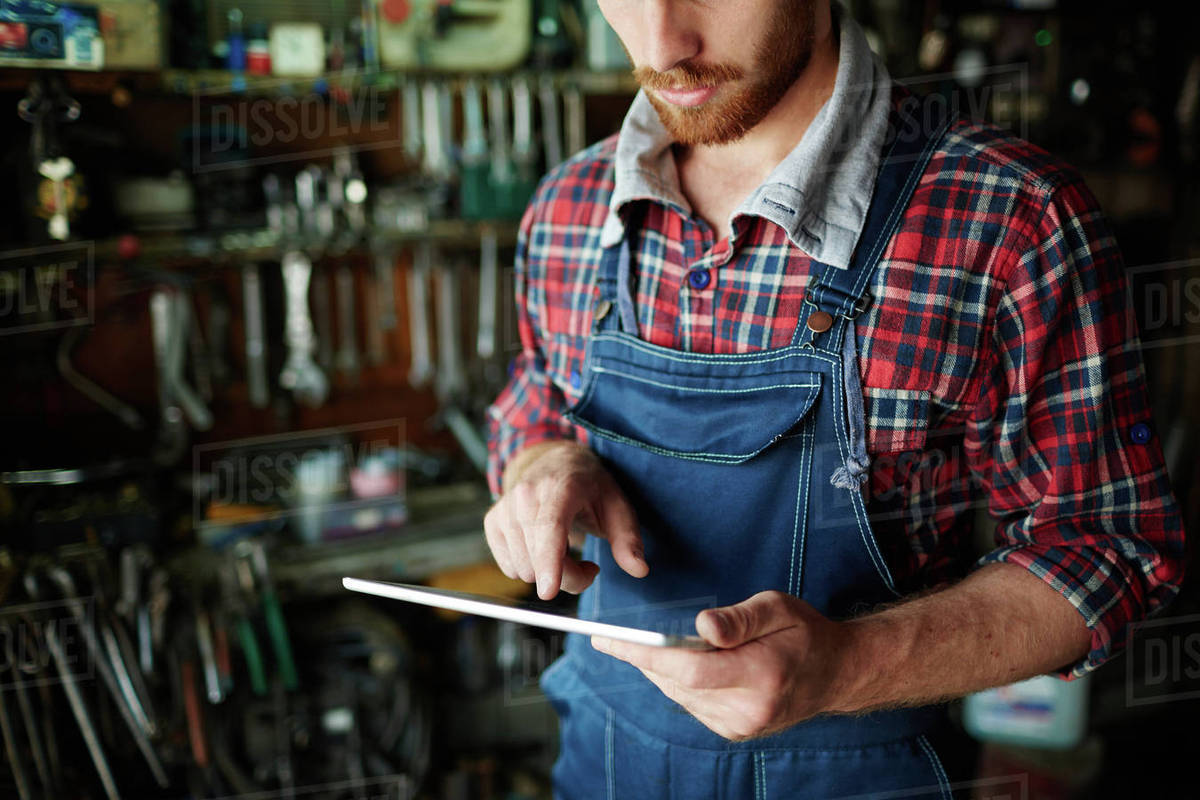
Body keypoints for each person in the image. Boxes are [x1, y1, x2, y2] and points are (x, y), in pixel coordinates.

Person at [484, 0, 1187, 797]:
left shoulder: (1011, 218)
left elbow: (1103, 548)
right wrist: (544, 465)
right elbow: (531, 412)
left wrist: (845, 667)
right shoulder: (567, 208)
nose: (661, 45)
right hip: (604, 770)